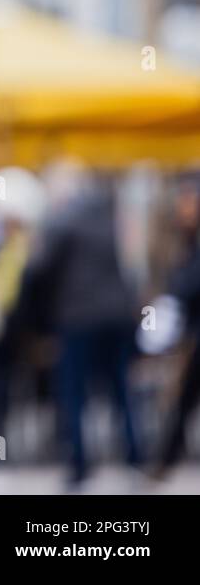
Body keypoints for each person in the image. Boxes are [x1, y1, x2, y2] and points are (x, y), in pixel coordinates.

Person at [20, 175, 142, 487]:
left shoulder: (63, 220)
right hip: (117, 315)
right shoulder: (108, 215)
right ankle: (134, 458)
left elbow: (39, 268)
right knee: (120, 388)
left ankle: (79, 464)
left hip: (78, 317)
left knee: (74, 392)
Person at [153, 173, 200, 478]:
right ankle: (165, 460)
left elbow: (188, 284)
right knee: (184, 398)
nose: (183, 208)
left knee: (185, 397)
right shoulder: (187, 240)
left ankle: (165, 461)